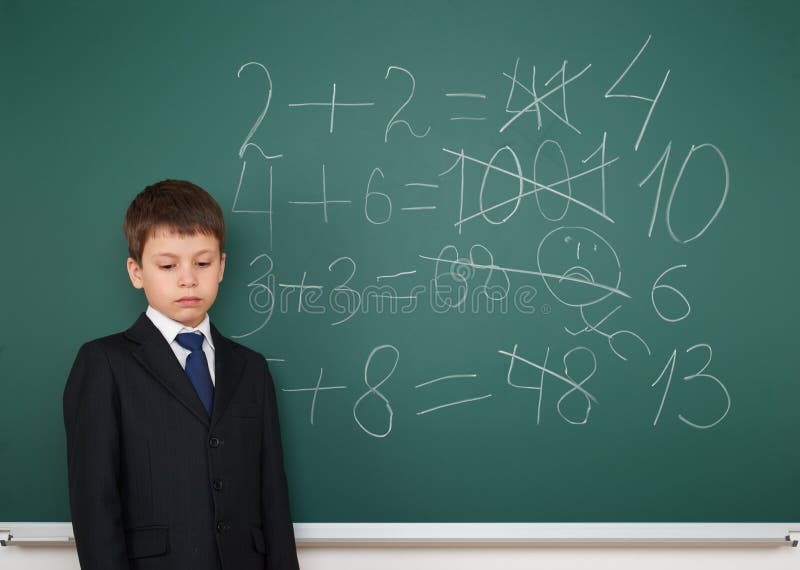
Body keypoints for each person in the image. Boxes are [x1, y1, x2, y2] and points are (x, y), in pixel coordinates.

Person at [63, 179, 299, 570]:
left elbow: (273, 497)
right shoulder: (104, 363)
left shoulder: (251, 368)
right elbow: (95, 504)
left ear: (222, 267)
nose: (188, 278)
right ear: (136, 272)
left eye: (202, 263)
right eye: (168, 265)